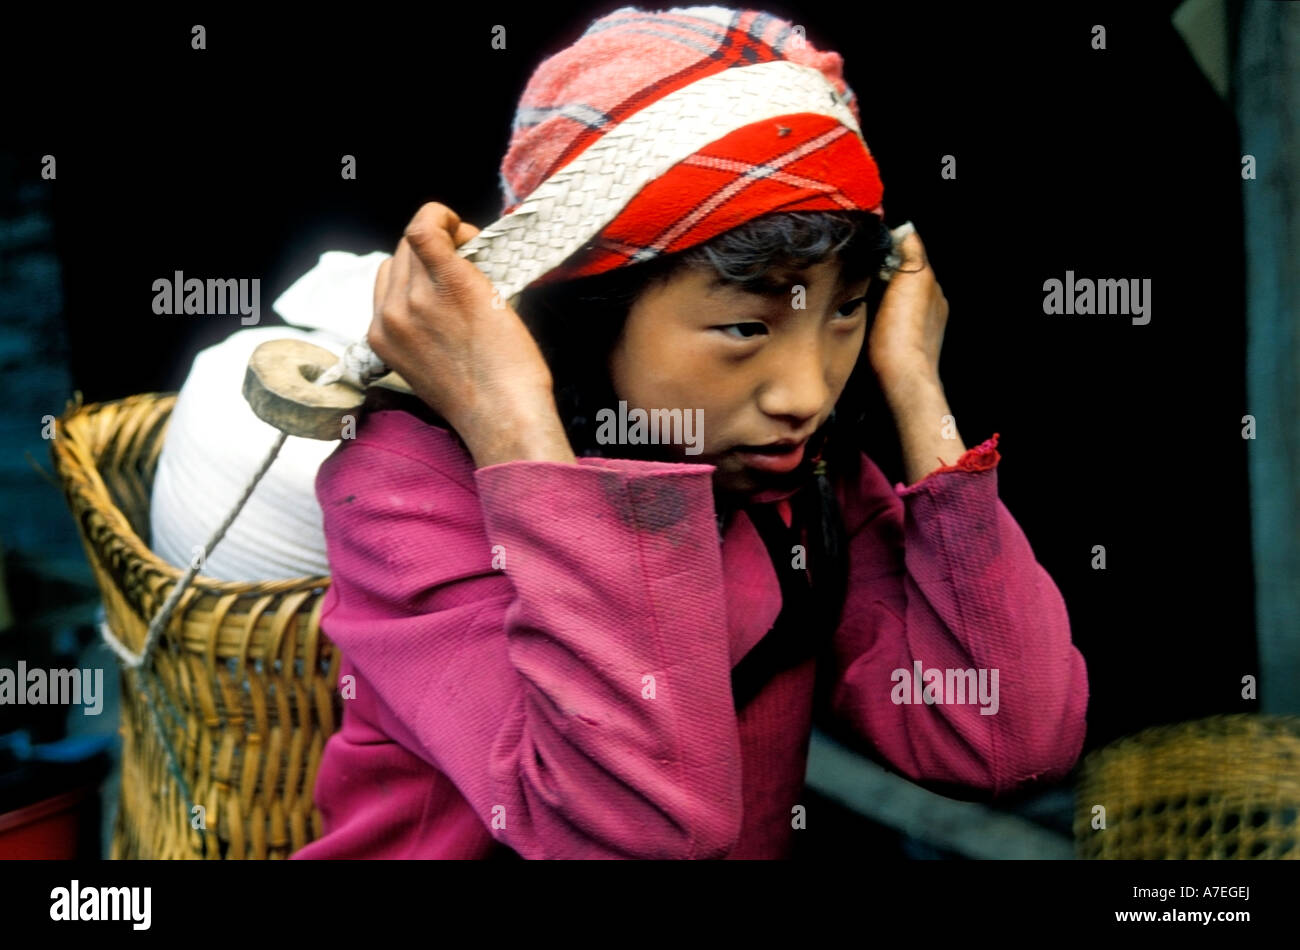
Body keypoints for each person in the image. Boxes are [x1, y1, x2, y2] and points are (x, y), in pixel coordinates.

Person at [290, 4, 1088, 860]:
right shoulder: (411, 490)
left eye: (847, 311)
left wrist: (917, 388)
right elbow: (633, 832)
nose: (805, 393)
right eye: (746, 329)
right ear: (591, 313)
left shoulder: (800, 484)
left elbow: (1007, 740)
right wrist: (516, 427)